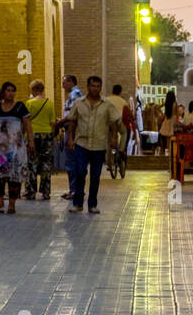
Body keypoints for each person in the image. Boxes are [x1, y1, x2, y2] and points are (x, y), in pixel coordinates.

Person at [66, 75, 120, 214]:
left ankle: (92, 204)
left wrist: (114, 137)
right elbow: (72, 121)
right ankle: (77, 203)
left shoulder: (107, 104)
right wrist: (70, 139)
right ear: (88, 86)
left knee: (95, 175)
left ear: (101, 87)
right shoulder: (79, 102)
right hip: (81, 143)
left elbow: (114, 122)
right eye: (93, 86)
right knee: (80, 172)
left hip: (99, 144)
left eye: (98, 86)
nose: (95, 89)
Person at [0, 82, 35, 214]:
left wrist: (31, 142)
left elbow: (28, 125)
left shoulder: (20, 107)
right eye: (8, 90)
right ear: (3, 93)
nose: (11, 93)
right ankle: (0, 202)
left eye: (13, 90)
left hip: (16, 148)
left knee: (14, 176)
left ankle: (12, 204)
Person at [24, 80, 56, 200]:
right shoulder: (50, 104)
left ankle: (30, 191)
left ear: (33, 90)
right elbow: (53, 123)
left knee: (31, 163)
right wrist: (52, 138)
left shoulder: (29, 103)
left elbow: (26, 122)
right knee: (46, 164)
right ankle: (46, 191)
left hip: (32, 135)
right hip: (46, 134)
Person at [54, 74, 83, 200]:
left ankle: (74, 190)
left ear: (71, 82)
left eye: (64, 82)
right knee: (72, 162)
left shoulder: (74, 94)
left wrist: (60, 122)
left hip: (72, 131)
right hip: (71, 130)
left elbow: (73, 115)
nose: (62, 85)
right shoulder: (75, 94)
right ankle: (74, 189)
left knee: (72, 162)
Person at [108, 84, 136, 157]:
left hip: (109, 122)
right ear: (120, 92)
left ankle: (108, 159)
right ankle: (121, 149)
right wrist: (132, 116)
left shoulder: (107, 100)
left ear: (112, 91)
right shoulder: (123, 101)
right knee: (124, 133)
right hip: (119, 122)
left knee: (108, 138)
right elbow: (129, 113)